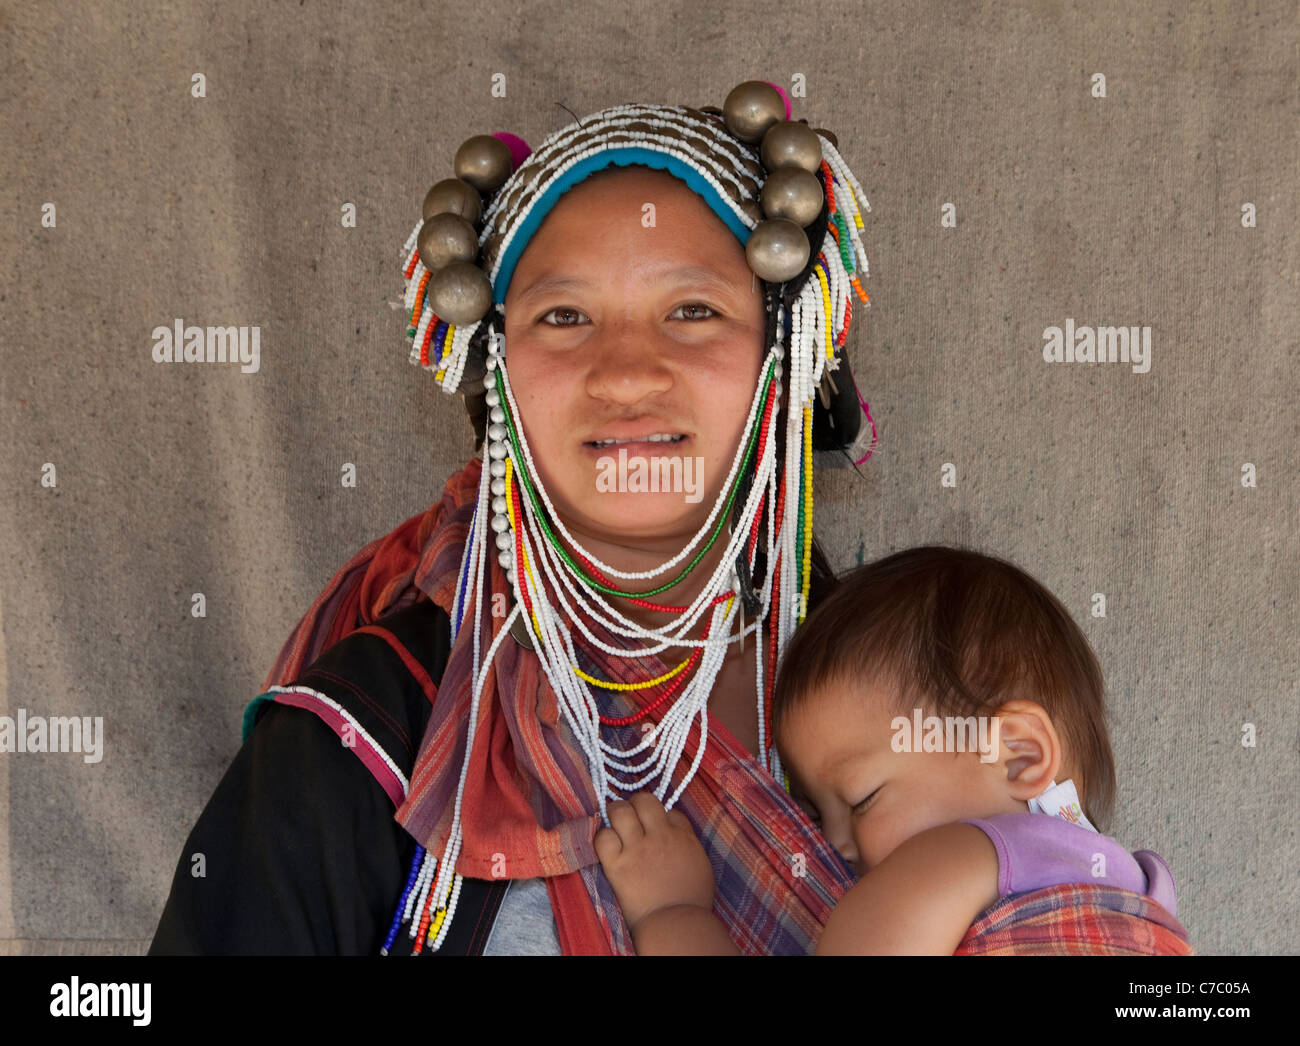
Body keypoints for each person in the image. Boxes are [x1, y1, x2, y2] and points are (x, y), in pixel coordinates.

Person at [149, 85, 879, 955]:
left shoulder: (897, 682)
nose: (626, 373)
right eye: (562, 317)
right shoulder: (377, 732)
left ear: (781, 354)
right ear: (500, 375)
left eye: (694, 311)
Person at [595, 546, 1194, 955]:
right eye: (815, 815)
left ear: (1018, 757)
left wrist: (672, 915)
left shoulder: (973, 853)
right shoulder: (1142, 888)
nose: (833, 844)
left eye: (860, 799)